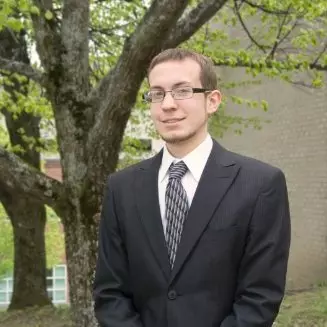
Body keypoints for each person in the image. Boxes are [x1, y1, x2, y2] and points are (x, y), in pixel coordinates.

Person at [93, 48, 291, 327]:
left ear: (212, 101)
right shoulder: (122, 188)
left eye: (182, 91)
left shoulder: (260, 184)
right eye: (157, 93)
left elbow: (260, 298)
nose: (168, 104)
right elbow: (110, 293)